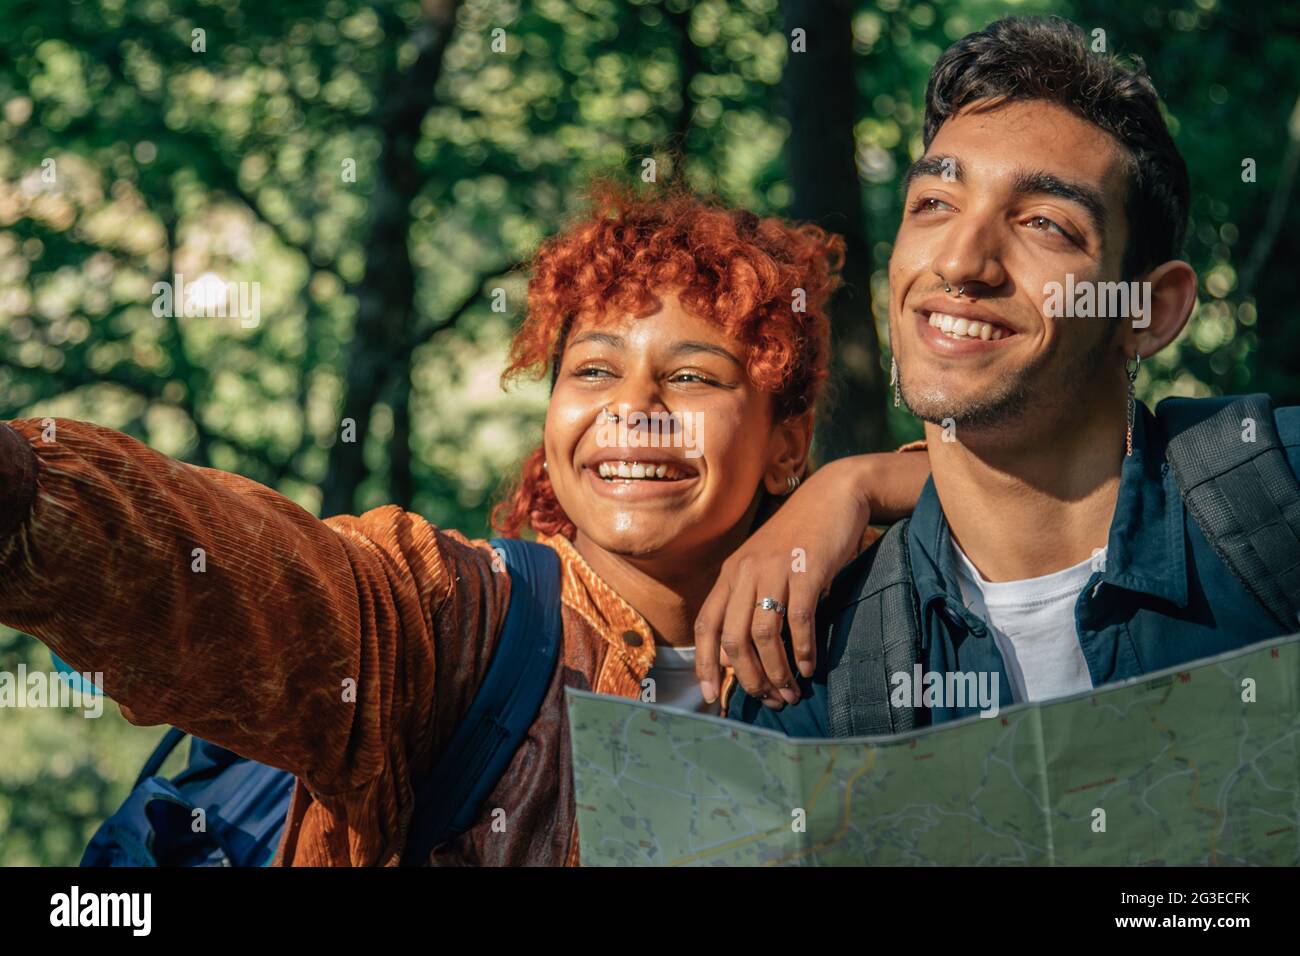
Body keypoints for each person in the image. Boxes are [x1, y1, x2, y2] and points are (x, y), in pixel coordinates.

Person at [0, 183, 927, 865]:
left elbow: (1049, 513)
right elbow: (235, 578)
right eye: (594, 371)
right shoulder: (458, 623)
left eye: (690, 377)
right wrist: (25, 488)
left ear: (784, 443)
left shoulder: (864, 634)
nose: (631, 409)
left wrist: (863, 484)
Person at [709, 16, 1300, 734]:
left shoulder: (1279, 502)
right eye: (933, 204)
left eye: (1044, 223)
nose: (960, 263)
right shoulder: (809, 679)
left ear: (1147, 308)